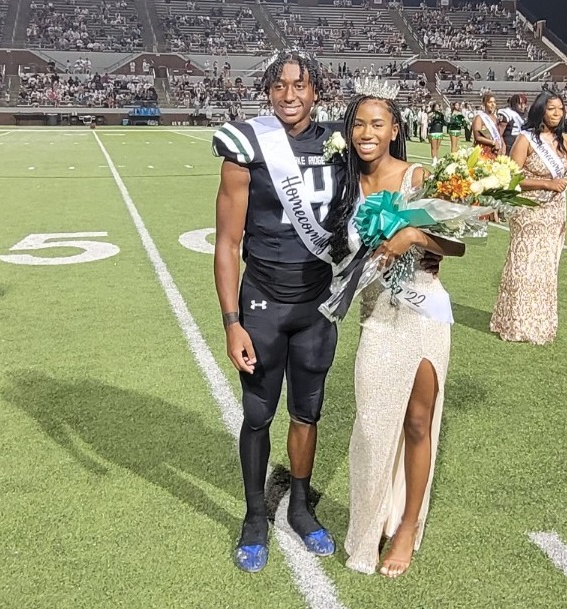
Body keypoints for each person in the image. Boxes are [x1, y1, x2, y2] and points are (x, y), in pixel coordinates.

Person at [212, 50, 346, 573]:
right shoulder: (248, 144)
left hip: (317, 304)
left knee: (307, 412)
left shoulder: (339, 142)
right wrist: (231, 322)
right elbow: (227, 243)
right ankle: (253, 516)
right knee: (258, 414)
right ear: (268, 92)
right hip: (263, 302)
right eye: (279, 86)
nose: (289, 95)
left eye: (299, 85)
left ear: (316, 91)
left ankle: (299, 506)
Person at [325, 82, 464, 578]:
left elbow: (456, 245)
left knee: (418, 423)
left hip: (424, 311)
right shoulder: (343, 183)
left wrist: (412, 234)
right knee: (370, 425)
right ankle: (366, 527)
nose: (366, 133)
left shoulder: (416, 176)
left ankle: (406, 525)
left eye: (377, 124)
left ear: (394, 130)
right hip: (377, 317)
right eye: (358, 124)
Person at [490, 92, 567, 345]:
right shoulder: (526, 139)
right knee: (524, 265)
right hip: (528, 210)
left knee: (547, 267)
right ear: (540, 111)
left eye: (560, 109)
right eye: (552, 109)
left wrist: (562, 185)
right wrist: (546, 184)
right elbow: (512, 177)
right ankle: (515, 321)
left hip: (554, 211)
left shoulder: (563, 140)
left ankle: (540, 322)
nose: (557, 114)